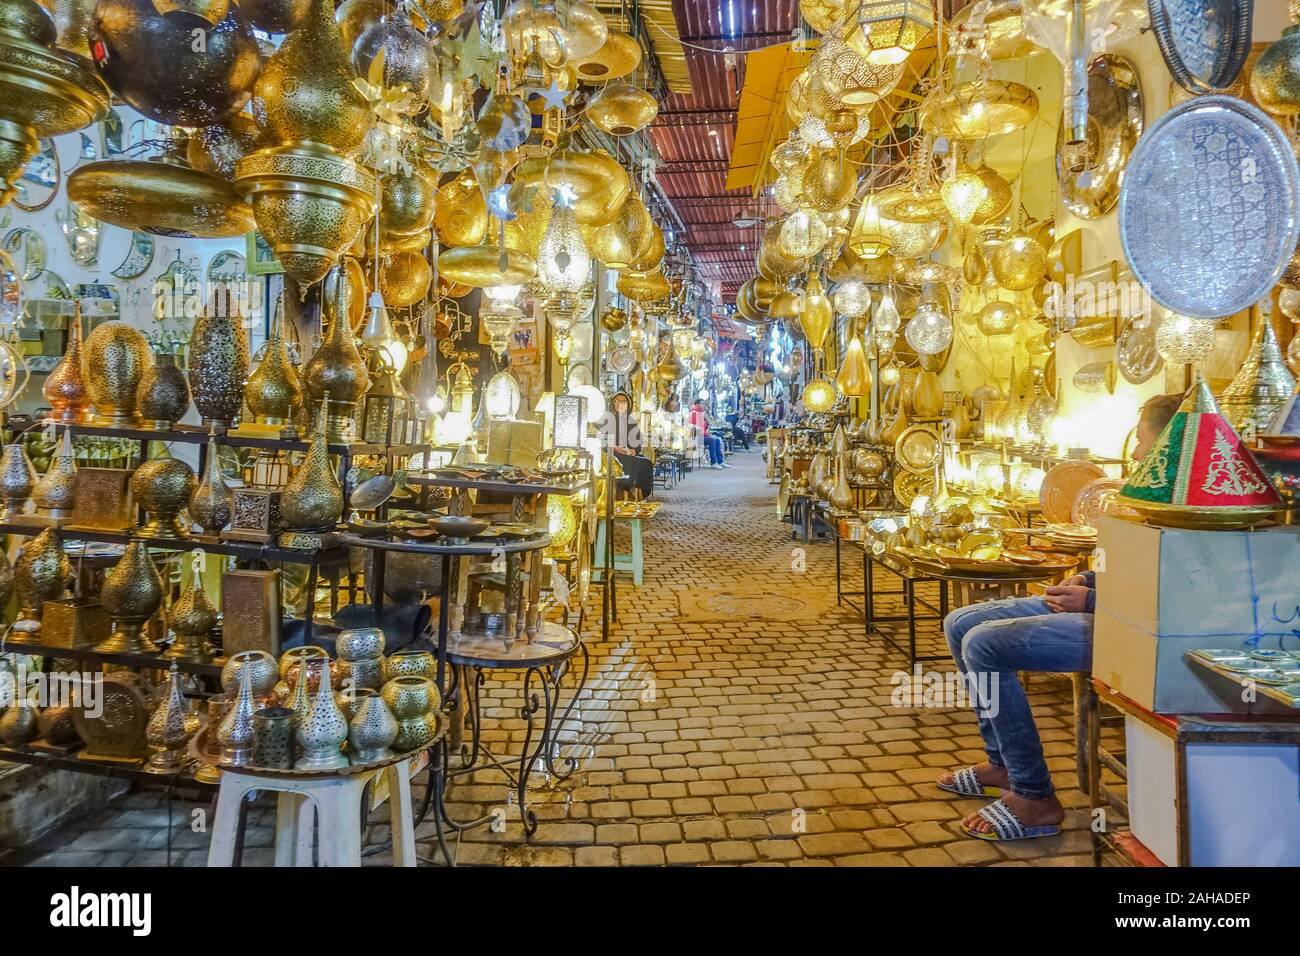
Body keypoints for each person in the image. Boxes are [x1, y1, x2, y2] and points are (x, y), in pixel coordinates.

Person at [937, 393, 1182, 842]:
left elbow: (1177, 596)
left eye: (1144, 442)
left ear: (1170, 443)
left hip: (1135, 630)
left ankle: (1035, 798)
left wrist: (1090, 602)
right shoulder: (1149, 492)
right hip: (1103, 603)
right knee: (961, 623)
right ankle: (1004, 766)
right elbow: (1124, 562)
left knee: (984, 644)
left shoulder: (1191, 505)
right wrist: (1085, 582)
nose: (1136, 453)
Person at [605, 390, 654, 500]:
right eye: (617, 401)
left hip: (628, 453)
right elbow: (602, 441)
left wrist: (634, 451)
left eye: (623, 401)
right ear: (613, 404)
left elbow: (637, 443)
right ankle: (627, 490)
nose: (620, 404)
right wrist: (614, 448)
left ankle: (639, 494)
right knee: (633, 463)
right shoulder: (607, 420)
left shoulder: (631, 422)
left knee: (646, 463)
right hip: (612, 454)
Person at [689, 397, 727, 468]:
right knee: (712, 440)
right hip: (696, 437)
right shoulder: (694, 413)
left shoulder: (701, 414)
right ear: (697, 404)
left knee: (717, 440)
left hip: (702, 435)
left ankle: (720, 461)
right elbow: (696, 428)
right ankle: (713, 462)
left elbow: (704, 427)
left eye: (704, 404)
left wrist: (707, 421)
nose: (704, 405)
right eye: (702, 404)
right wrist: (707, 434)